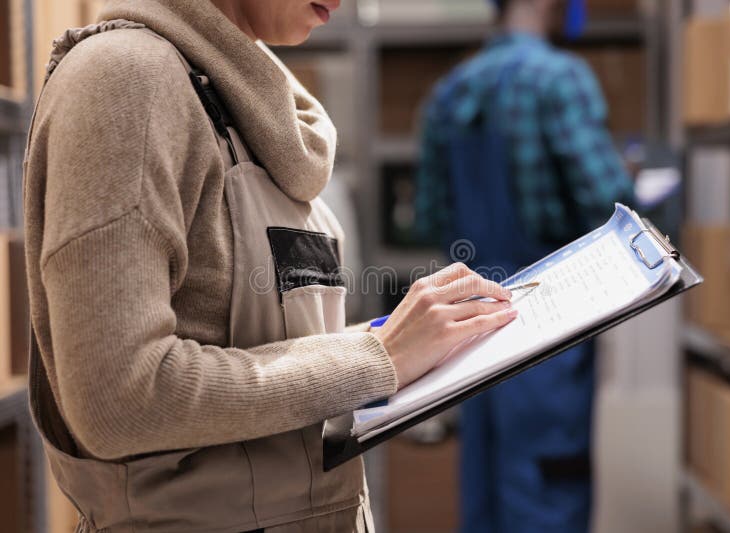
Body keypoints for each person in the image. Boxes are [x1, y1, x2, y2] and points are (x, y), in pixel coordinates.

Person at [23, 1, 520, 531]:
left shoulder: (245, 103)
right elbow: (119, 398)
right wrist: (379, 357)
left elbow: (261, 343)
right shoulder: (124, 81)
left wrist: (411, 342)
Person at [415, 0, 636, 531]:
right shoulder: (560, 79)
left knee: (486, 493)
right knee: (548, 487)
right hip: (550, 329)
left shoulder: (450, 93)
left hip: (471, 333)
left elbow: (430, 219)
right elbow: (611, 201)